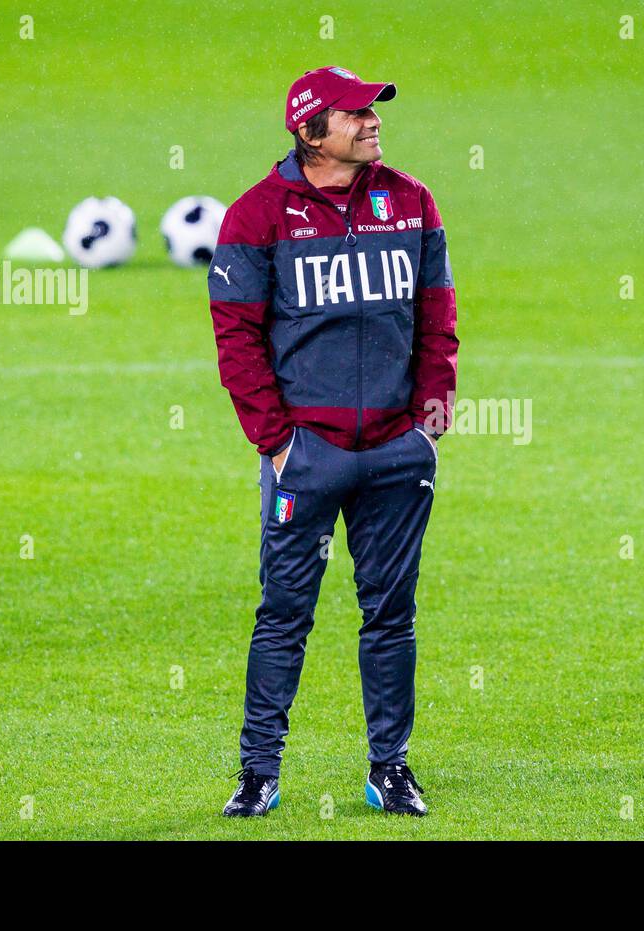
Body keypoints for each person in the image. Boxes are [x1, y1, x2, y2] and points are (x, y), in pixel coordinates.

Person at [208, 66, 458, 817]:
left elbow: (438, 315)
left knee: (391, 614)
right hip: (306, 455)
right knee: (283, 615)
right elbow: (236, 339)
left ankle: (391, 767)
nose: (373, 120)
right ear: (310, 130)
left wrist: (429, 422)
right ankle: (259, 771)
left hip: (396, 452)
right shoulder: (257, 216)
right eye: (355, 113)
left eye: (374, 109)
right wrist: (276, 442)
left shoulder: (410, 201)